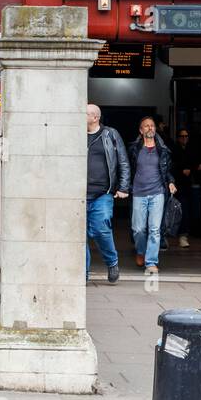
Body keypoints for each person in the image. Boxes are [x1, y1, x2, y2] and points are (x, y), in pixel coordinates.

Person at [86, 104, 131, 283]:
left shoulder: (110, 134)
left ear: (95, 117)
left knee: (100, 229)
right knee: (79, 237)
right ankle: (83, 274)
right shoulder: (74, 134)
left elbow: (123, 161)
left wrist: (123, 187)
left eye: (85, 113)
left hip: (102, 194)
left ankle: (112, 262)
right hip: (78, 195)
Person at [128, 116, 177, 275]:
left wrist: (170, 182)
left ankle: (151, 262)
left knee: (155, 229)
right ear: (141, 131)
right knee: (138, 229)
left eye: (152, 126)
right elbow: (127, 169)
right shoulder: (134, 149)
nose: (150, 128)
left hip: (157, 193)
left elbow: (167, 170)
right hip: (138, 193)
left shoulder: (163, 150)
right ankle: (141, 251)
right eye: (146, 126)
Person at [171, 127, 201, 248]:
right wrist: (182, 171)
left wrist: (193, 168)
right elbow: (172, 167)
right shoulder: (174, 150)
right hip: (180, 185)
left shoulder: (194, 149)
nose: (184, 138)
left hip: (194, 184)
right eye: (182, 136)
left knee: (194, 211)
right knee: (184, 210)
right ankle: (182, 235)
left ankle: (189, 233)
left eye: (186, 136)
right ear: (178, 138)